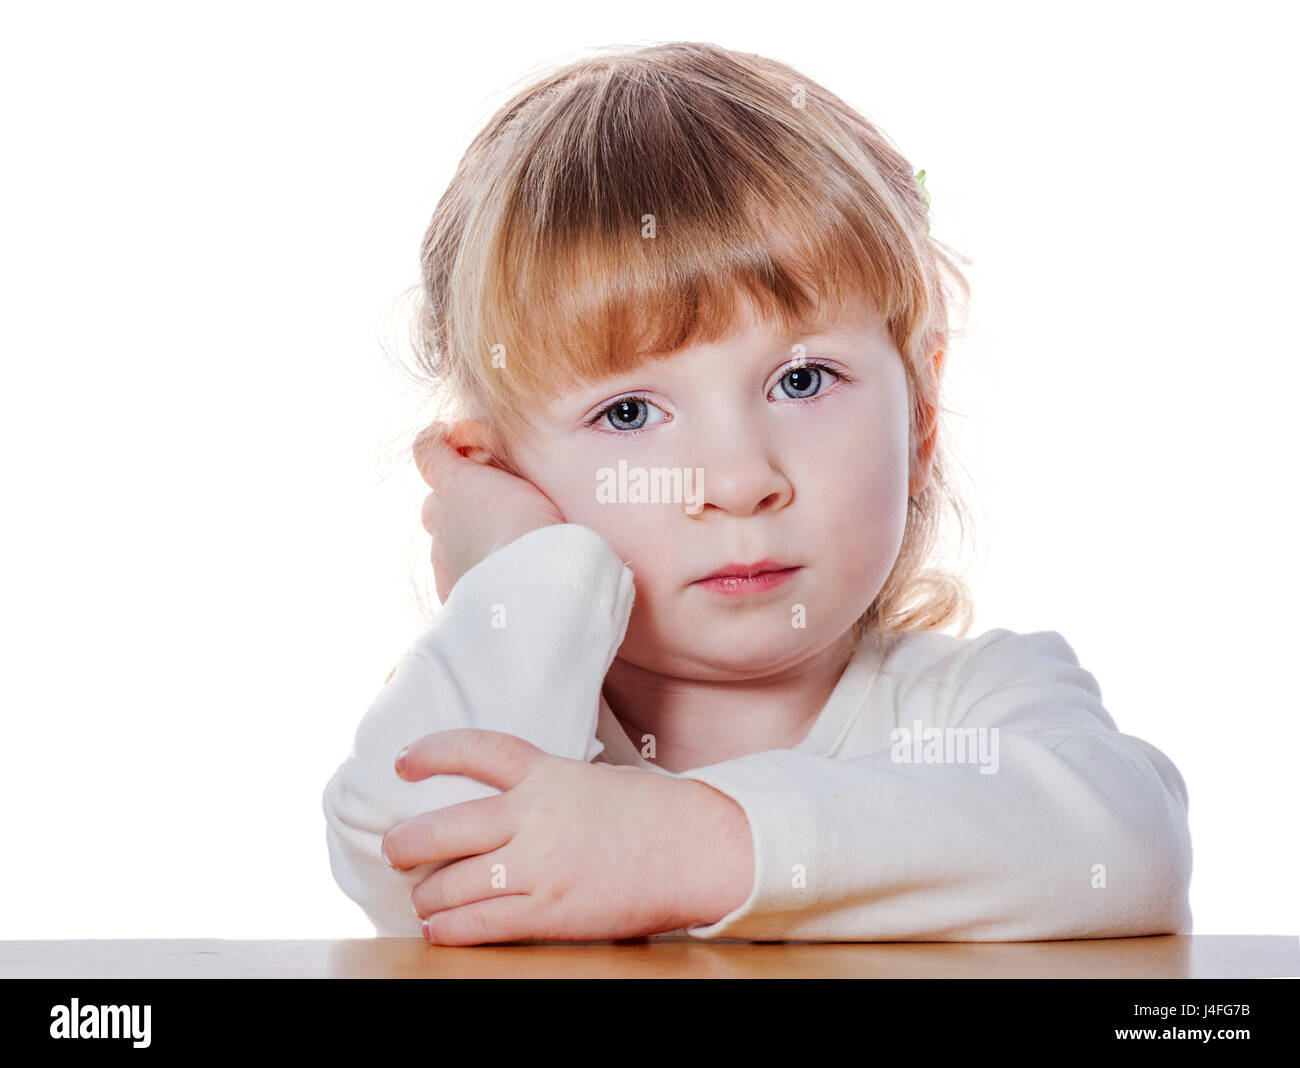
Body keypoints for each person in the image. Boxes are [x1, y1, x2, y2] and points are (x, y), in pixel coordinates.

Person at [322, 41, 1192, 945]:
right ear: (498, 476)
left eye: (804, 380)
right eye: (627, 413)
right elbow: (421, 855)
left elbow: (1129, 849)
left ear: (921, 422)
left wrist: (692, 848)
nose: (738, 483)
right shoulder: (510, 717)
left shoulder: (978, 708)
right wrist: (524, 582)